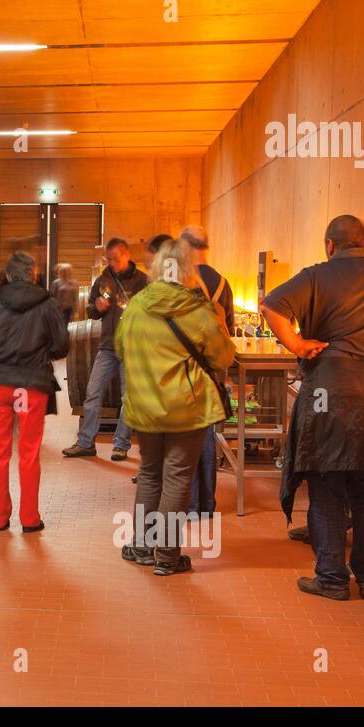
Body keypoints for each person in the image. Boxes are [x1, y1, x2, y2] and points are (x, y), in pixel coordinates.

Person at [260, 215, 364, 601]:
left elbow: (271, 306)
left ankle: (332, 580)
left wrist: (299, 345)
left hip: (328, 397)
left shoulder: (317, 275)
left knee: (327, 488)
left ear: (329, 244)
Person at [117, 239, 235, 575]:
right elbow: (223, 357)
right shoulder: (198, 310)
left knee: (150, 474)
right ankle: (167, 556)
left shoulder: (138, 306)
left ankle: (141, 545)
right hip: (187, 407)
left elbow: (121, 349)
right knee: (177, 477)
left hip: (146, 407)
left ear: (156, 267)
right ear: (188, 270)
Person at [0, 251, 69, 533]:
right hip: (32, 387)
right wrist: (42, 357)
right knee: (29, 452)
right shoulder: (47, 304)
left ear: (9, 275)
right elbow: (62, 344)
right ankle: (30, 518)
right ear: (33, 274)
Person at [62, 237, 148, 462]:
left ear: (127, 255)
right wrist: (96, 307)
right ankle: (85, 442)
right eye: (108, 259)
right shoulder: (103, 279)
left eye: (115, 259)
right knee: (93, 392)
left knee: (127, 398)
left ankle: (121, 445)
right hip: (107, 347)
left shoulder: (142, 282)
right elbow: (90, 310)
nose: (112, 263)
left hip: (131, 349)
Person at [179, 225, 235, 517]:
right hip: (214, 367)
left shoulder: (181, 280)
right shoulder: (223, 282)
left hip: (186, 367)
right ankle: (207, 505)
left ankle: (189, 503)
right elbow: (231, 330)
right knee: (208, 434)